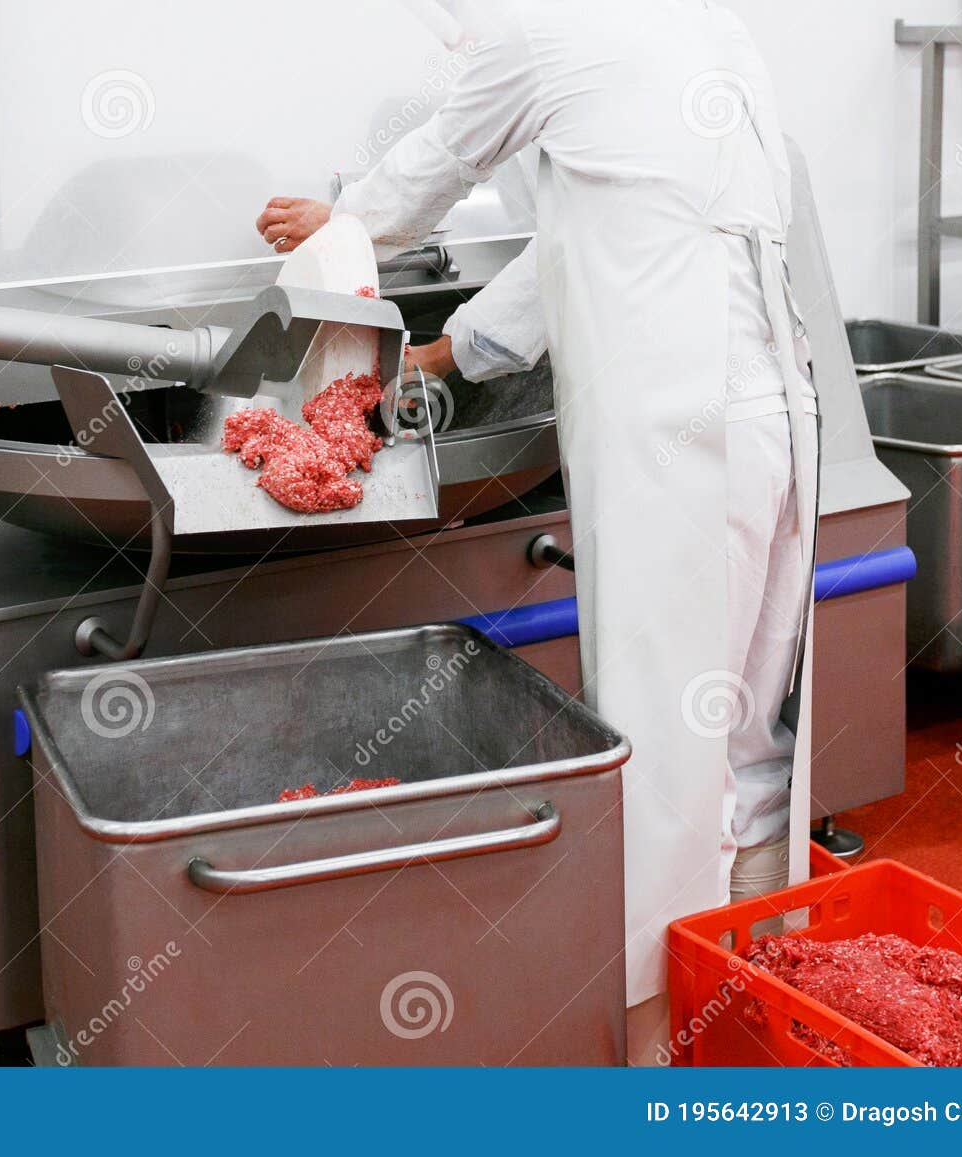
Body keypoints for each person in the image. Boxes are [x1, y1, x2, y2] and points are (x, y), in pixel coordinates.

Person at [255, 0, 818, 1065]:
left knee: (656, 751)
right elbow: (587, 236)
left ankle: (646, 1049)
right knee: (750, 743)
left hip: (677, 435)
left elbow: (418, 177)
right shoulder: (702, 29)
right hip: (772, 420)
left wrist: (332, 230)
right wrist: (441, 356)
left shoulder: (539, 33)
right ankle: (753, 1012)